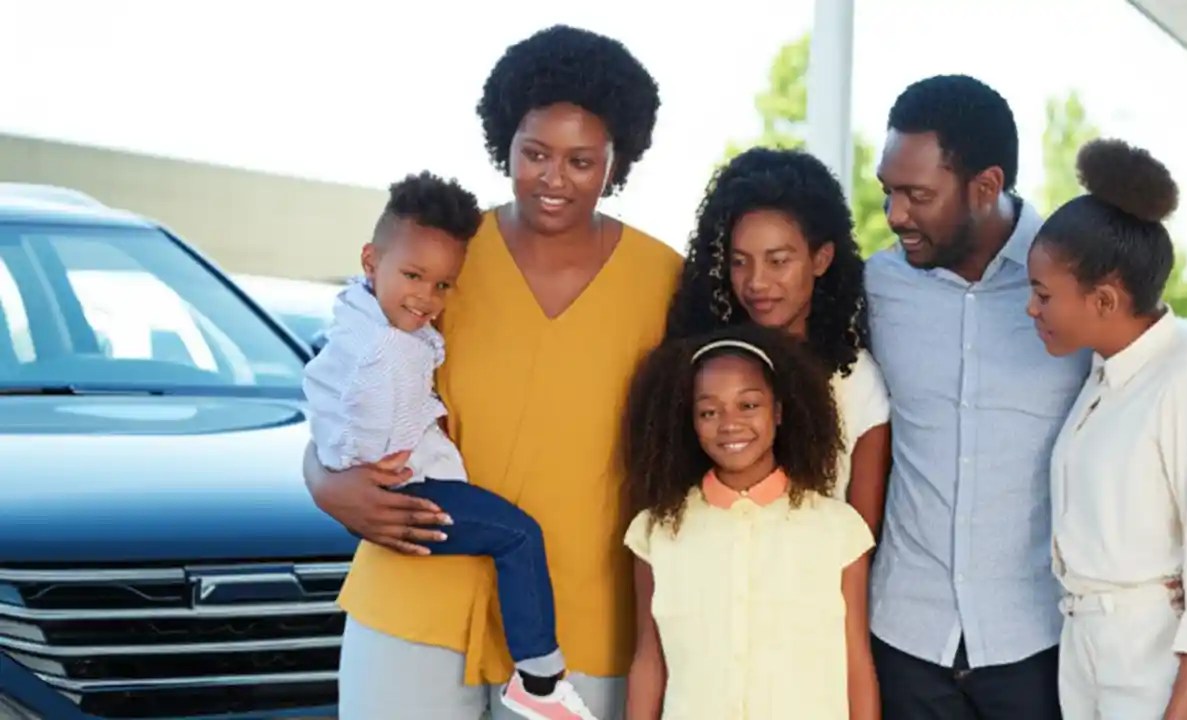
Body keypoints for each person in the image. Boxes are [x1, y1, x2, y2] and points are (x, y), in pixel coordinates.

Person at [301, 25, 680, 720]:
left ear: (617, 160)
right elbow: (346, 385)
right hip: (415, 593)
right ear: (503, 141)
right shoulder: (444, 258)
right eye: (534, 153)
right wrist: (325, 484)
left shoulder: (664, 283)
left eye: (581, 160)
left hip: (577, 626)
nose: (553, 179)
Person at [866, 73, 1187, 720]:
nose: (895, 215)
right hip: (910, 637)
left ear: (986, 186)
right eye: (889, 192)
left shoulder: (1077, 278)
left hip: (1041, 645)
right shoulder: (878, 289)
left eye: (917, 194)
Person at [301, 170, 594, 718]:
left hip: (402, 484)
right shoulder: (382, 349)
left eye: (441, 285)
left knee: (515, 536)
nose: (427, 297)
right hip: (408, 492)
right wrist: (357, 471)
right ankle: (539, 678)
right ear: (371, 261)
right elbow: (362, 416)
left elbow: (322, 392)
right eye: (413, 275)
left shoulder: (365, 320)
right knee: (519, 536)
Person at [1027, 138, 1187, 718]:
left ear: (1103, 299)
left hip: (1171, 674)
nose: (1031, 309)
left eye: (1042, 295)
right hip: (1094, 657)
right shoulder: (1105, 374)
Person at [621, 324, 880, 718]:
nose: (729, 424)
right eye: (709, 411)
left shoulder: (838, 530)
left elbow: (857, 663)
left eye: (749, 405)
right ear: (690, 422)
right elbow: (649, 660)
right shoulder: (655, 532)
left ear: (778, 412)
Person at [664, 146, 892, 534]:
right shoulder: (700, 367)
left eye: (778, 261)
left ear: (821, 259)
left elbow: (862, 538)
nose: (756, 282)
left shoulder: (854, 379)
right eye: (739, 261)